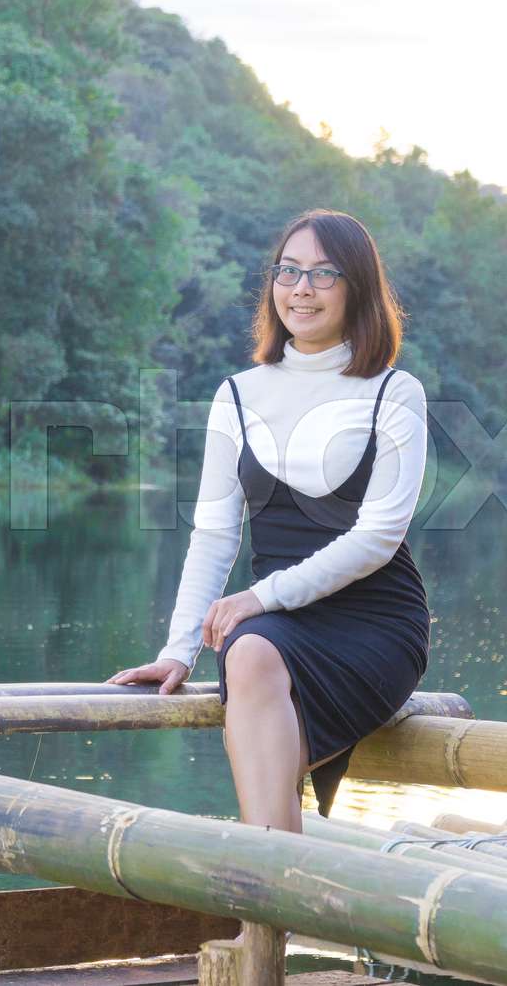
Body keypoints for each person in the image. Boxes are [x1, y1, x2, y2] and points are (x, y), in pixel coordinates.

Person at [106, 207, 431, 837]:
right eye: (288, 271)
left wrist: (260, 597)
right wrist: (177, 651)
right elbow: (215, 535)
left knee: (250, 647)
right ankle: (280, 888)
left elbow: (378, 539)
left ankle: (264, 903)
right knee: (249, 652)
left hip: (375, 623)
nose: (301, 288)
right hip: (274, 628)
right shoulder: (236, 394)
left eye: (322, 274)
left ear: (356, 287)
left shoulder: (396, 393)